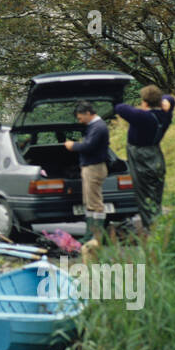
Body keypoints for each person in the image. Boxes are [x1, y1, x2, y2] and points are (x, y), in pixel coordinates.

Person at [114, 85, 175, 232]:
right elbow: (171, 99)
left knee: (144, 195)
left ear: (145, 102)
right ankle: (159, 226)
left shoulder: (141, 116)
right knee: (156, 195)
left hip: (141, 157)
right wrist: (166, 101)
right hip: (156, 154)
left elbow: (120, 108)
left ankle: (153, 230)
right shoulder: (166, 115)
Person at [64, 101, 110, 243]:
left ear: (88, 113)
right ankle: (89, 234)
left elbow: (89, 146)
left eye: (80, 118)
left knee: (95, 203)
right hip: (90, 167)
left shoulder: (98, 127)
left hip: (94, 168)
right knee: (89, 202)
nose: (80, 121)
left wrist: (73, 145)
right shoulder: (94, 127)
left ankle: (96, 236)